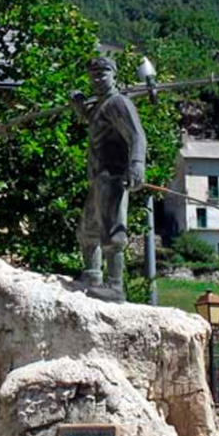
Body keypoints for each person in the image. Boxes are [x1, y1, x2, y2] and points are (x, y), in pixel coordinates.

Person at [69, 56, 148, 302]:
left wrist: (137, 164)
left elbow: (137, 136)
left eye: (103, 74)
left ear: (113, 75)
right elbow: (95, 123)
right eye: (93, 75)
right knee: (87, 230)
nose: (97, 79)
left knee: (113, 230)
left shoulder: (118, 103)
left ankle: (114, 285)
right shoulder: (101, 106)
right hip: (97, 177)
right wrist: (80, 107)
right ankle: (92, 277)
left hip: (113, 175)